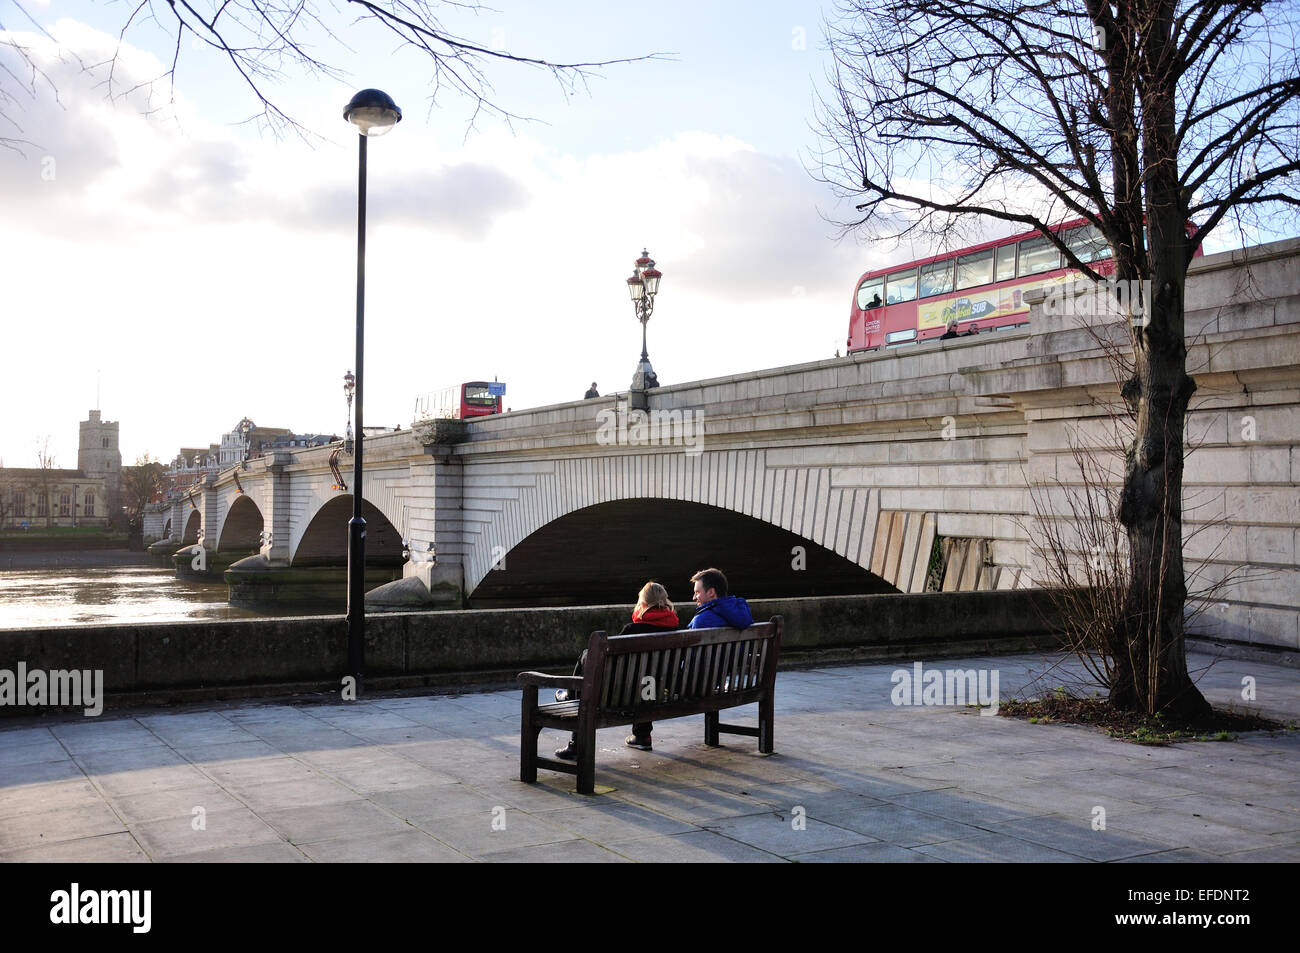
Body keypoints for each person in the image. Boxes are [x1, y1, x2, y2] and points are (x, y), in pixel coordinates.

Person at [554, 581, 680, 760]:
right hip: (653, 693)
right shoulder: (675, 630)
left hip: (622, 697)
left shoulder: (633, 629)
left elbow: (606, 660)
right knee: (647, 680)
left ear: (643, 604)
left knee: (587, 655)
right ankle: (642, 736)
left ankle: (573, 702)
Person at [687, 567, 753, 630]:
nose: (694, 598)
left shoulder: (700, 621)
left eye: (697, 592)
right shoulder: (743, 613)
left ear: (711, 592)